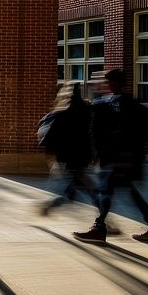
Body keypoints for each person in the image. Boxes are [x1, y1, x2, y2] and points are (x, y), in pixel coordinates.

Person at [72, 69, 148, 245]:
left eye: (105, 81)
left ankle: (99, 229)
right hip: (120, 158)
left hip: (121, 158)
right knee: (126, 192)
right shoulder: (117, 103)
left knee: (106, 191)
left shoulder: (123, 105)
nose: (102, 84)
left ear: (112, 84)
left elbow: (110, 132)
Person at [38, 82, 95, 215]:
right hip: (82, 157)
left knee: (70, 187)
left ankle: (49, 206)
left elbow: (49, 138)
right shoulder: (88, 112)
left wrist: (50, 156)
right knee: (86, 188)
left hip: (65, 157)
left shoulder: (61, 114)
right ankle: (104, 220)